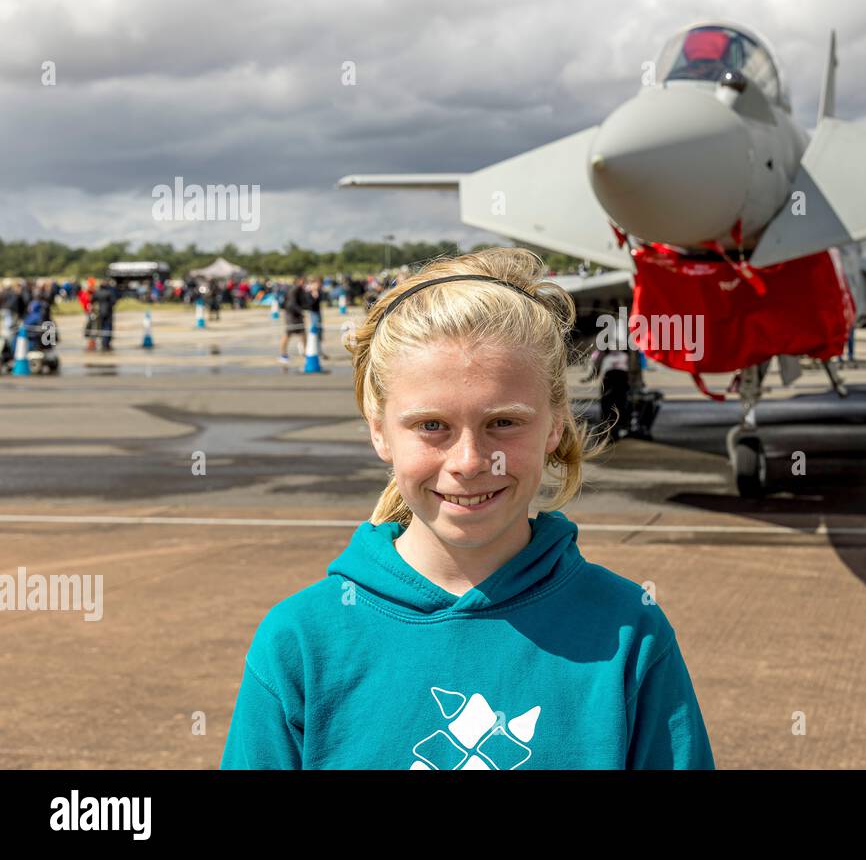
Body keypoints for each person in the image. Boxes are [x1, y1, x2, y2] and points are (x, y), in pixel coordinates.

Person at [221, 248, 714, 769]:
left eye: (503, 422)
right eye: (432, 426)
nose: (470, 461)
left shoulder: (627, 633)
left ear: (555, 424)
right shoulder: (302, 641)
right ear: (378, 429)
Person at [278, 277, 307, 363]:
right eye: (302, 281)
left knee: (303, 334)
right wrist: (300, 311)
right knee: (288, 334)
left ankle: (305, 352)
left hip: (296, 315)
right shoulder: (294, 289)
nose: (303, 283)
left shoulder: (300, 290)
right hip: (291, 316)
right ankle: (283, 354)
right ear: (298, 281)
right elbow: (291, 304)